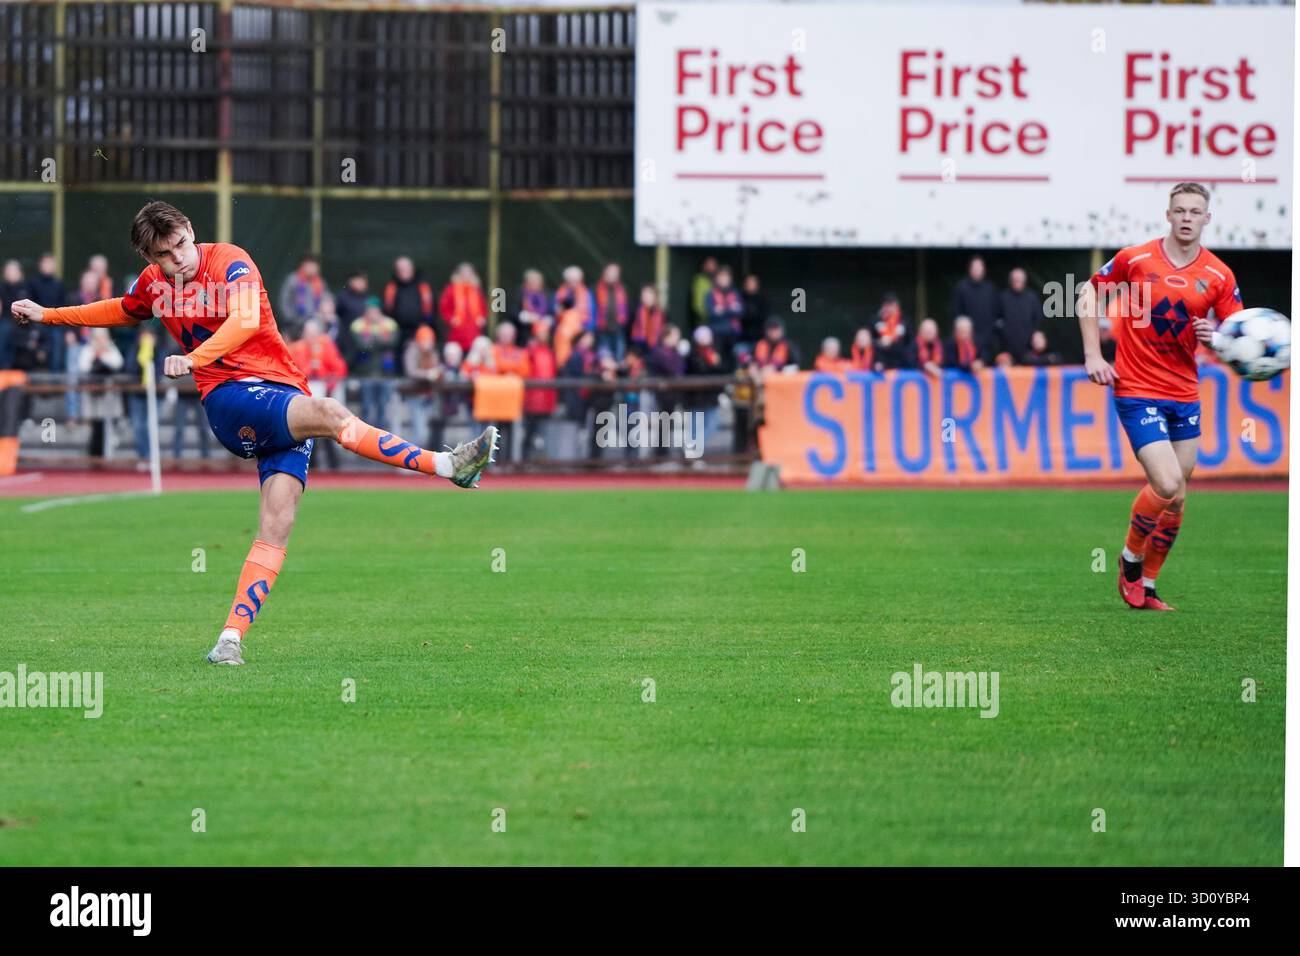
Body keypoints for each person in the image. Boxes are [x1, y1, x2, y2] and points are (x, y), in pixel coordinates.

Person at [10, 201, 498, 667]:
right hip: (231, 398)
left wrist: (193, 356)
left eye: (180, 244)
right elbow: (121, 308)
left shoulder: (230, 262)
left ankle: (229, 640)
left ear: (191, 231)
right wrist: (49, 315)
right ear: (148, 257)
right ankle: (448, 465)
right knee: (329, 413)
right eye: (163, 254)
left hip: (283, 394)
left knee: (276, 529)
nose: (176, 258)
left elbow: (244, 319)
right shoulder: (154, 283)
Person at [1077, 181, 1242, 612]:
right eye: (1180, 210)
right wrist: (1094, 354)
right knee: (1167, 482)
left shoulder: (1220, 275)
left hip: (1184, 393)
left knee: (1179, 495)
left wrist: (1219, 337)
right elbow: (1088, 292)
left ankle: (1146, 587)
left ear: (1207, 219)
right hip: (1136, 388)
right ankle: (1130, 560)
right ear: (1168, 215)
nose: (1187, 218)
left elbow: (1240, 337)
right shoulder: (1136, 258)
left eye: (1195, 211)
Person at [289, 318, 349, 470]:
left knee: (328, 430)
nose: (311, 337)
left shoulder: (326, 346)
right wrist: (309, 369)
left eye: (314, 333)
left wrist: (330, 386)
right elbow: (292, 370)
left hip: (325, 393)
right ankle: (311, 466)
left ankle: (334, 467)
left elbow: (339, 368)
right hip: (303, 393)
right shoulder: (296, 348)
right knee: (308, 432)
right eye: (309, 333)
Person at [348, 297, 401, 432]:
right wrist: (380, 340)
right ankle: (365, 436)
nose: (373, 313)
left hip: (385, 372)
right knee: (367, 405)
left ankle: (382, 437)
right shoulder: (358, 324)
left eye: (375, 310)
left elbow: (393, 342)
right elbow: (362, 345)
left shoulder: (390, 323)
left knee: (383, 405)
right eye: (370, 310)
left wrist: (372, 340)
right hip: (365, 371)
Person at [78, 328, 124, 457]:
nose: (100, 340)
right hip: (93, 395)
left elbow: (118, 363)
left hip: (108, 396)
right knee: (95, 426)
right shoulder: (88, 349)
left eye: (103, 337)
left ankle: (107, 454)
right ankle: (94, 454)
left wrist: (102, 356)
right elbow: (83, 366)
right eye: (98, 338)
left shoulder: (111, 349)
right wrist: (95, 356)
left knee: (107, 426)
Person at [522, 317, 557, 461]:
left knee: (543, 433)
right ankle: (525, 460)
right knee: (530, 433)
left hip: (546, 400)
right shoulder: (530, 352)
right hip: (532, 400)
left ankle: (540, 460)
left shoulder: (550, 352)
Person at [401, 324, 441, 449]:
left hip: (429, 395)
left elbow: (437, 368)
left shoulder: (432, 352)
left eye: (429, 341)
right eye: (424, 340)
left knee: (428, 430)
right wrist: (427, 374)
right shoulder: (412, 350)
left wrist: (436, 373)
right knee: (419, 429)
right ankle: (411, 456)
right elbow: (411, 371)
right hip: (414, 393)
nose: (427, 344)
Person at [950, 256, 999, 355]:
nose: (977, 271)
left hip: (987, 338)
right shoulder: (961, 288)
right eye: (975, 268)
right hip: (966, 339)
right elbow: (956, 312)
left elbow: (995, 312)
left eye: (979, 268)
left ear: (983, 270)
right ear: (970, 270)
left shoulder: (990, 288)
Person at [383, 256, 436, 348]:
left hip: (421, 328)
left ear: (412, 268)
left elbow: (433, 307)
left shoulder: (424, 284)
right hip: (399, 330)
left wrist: (427, 324)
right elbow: (387, 309)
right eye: (400, 269)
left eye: (406, 268)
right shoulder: (391, 287)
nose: (403, 271)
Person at [994, 267, 1042, 366]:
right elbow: (996, 321)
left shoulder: (1032, 298)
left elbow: (1037, 320)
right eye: (1015, 280)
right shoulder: (1002, 298)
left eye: (1020, 280)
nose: (1017, 282)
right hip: (1006, 350)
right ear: (1010, 281)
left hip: (1027, 349)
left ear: (1024, 281)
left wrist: (1035, 337)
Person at [439, 262, 488, 353]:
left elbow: (484, 307)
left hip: (474, 331)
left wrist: (482, 318)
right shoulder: (451, 290)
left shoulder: (476, 290)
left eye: (469, 273)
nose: (466, 276)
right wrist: (451, 319)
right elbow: (444, 309)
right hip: (457, 332)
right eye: (464, 273)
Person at [278, 253, 328, 342]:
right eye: (309, 265)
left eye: (314, 265)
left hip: (314, 323)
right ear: (303, 265)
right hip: (294, 324)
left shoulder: (320, 283)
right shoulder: (292, 280)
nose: (312, 268)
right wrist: (292, 320)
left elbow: (326, 301)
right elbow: (283, 303)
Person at [593, 262, 629, 360]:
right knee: (604, 357)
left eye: (615, 273)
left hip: (618, 328)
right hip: (603, 329)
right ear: (604, 273)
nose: (612, 275)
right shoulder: (596, 288)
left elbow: (626, 308)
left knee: (619, 355)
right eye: (610, 273)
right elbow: (593, 308)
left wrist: (623, 322)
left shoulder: (623, 289)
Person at [873, 292, 909, 369]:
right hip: (881, 362)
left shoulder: (904, 319)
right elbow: (870, 340)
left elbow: (908, 341)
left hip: (900, 362)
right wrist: (879, 342)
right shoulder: (875, 320)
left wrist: (891, 339)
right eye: (887, 305)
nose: (889, 308)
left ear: (897, 306)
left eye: (892, 305)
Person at [630, 284, 665, 352]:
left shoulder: (661, 314)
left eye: (648, 295)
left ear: (655, 297)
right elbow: (630, 331)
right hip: (639, 347)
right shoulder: (636, 312)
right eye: (644, 295)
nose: (645, 297)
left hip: (655, 348)